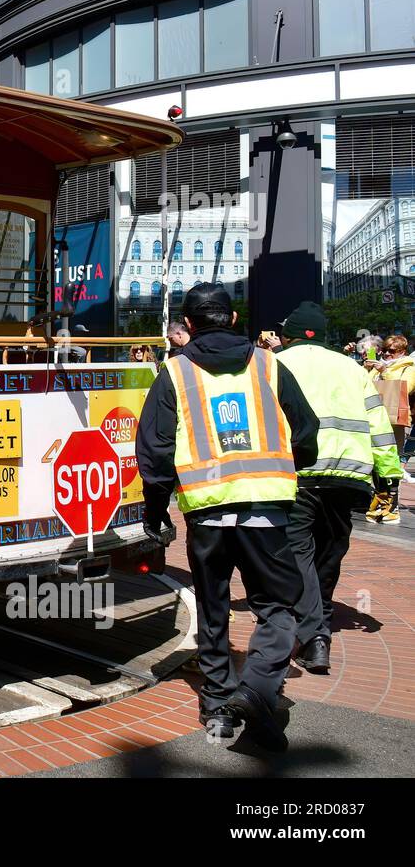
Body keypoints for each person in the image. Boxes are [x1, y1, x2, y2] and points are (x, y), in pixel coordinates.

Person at [137, 283, 318, 750]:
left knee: (214, 610)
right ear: (234, 320)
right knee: (279, 608)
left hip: (207, 514)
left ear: (189, 326)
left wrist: (156, 514)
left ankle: (217, 706)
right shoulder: (268, 364)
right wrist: (291, 461)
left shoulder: (173, 375)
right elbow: (307, 429)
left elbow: (154, 454)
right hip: (266, 508)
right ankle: (257, 690)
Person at [275, 302, 401, 673]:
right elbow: (379, 424)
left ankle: (314, 636)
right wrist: (388, 476)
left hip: (298, 472)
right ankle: (318, 619)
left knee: (298, 552)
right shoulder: (353, 368)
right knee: (329, 552)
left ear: (289, 334)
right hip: (349, 476)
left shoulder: (275, 364)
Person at [374, 335, 414, 487]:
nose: (386, 354)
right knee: (375, 460)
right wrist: (367, 369)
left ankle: (391, 503)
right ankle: (377, 499)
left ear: (402, 351)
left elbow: (406, 388)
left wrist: (385, 372)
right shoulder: (377, 367)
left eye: (391, 351)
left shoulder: (409, 367)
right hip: (375, 417)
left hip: (395, 420)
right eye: (384, 350)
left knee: (391, 460)